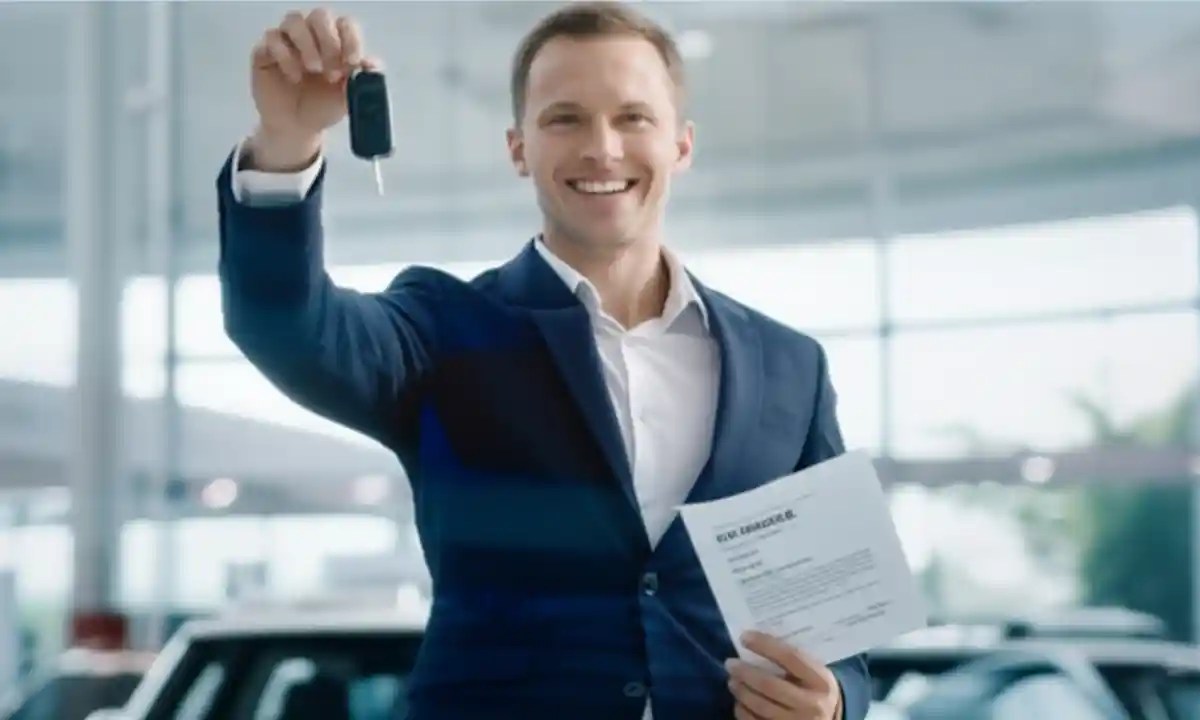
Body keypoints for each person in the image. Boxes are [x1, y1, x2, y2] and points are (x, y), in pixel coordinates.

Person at [216, 3, 871, 719]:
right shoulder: (442, 330)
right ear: (518, 147)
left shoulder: (789, 368)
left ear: (681, 145)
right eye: (565, 119)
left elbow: (838, 623)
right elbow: (287, 328)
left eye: (633, 118)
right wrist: (287, 140)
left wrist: (834, 701)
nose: (602, 148)